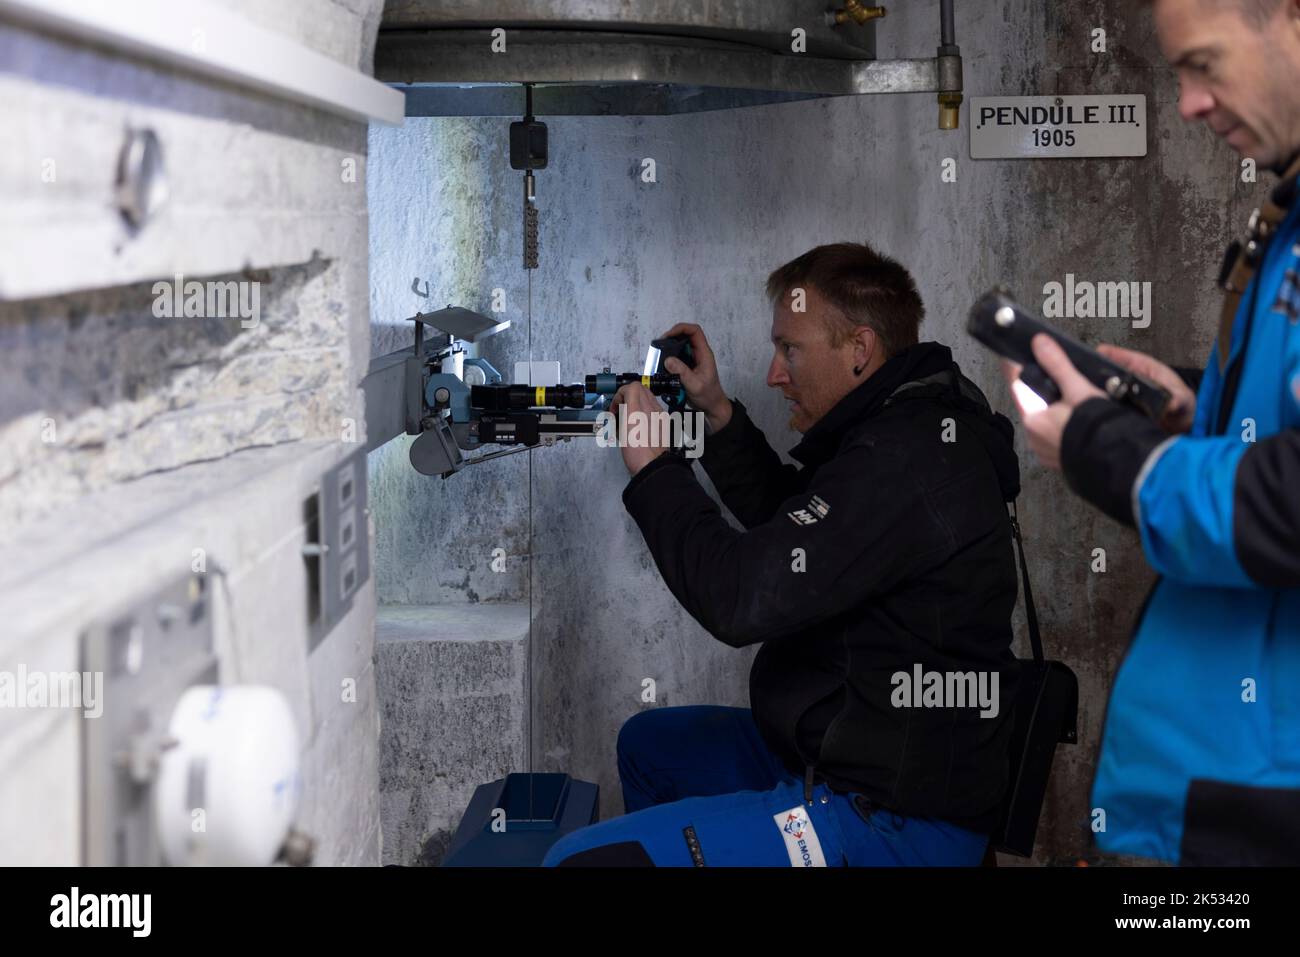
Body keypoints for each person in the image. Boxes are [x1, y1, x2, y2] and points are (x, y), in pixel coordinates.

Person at [542, 242, 1022, 866]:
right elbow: (799, 535)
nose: (773, 373)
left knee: (574, 863)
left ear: (860, 349)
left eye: (789, 349)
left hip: (890, 813)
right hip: (838, 747)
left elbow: (740, 599)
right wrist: (716, 410)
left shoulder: (905, 461)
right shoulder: (902, 428)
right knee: (649, 746)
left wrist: (655, 469)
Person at [1000, 0, 1300, 864]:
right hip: (1202, 799)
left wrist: (1103, 448)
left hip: (1259, 816)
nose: (1188, 105)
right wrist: (1193, 409)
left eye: (1205, 63)